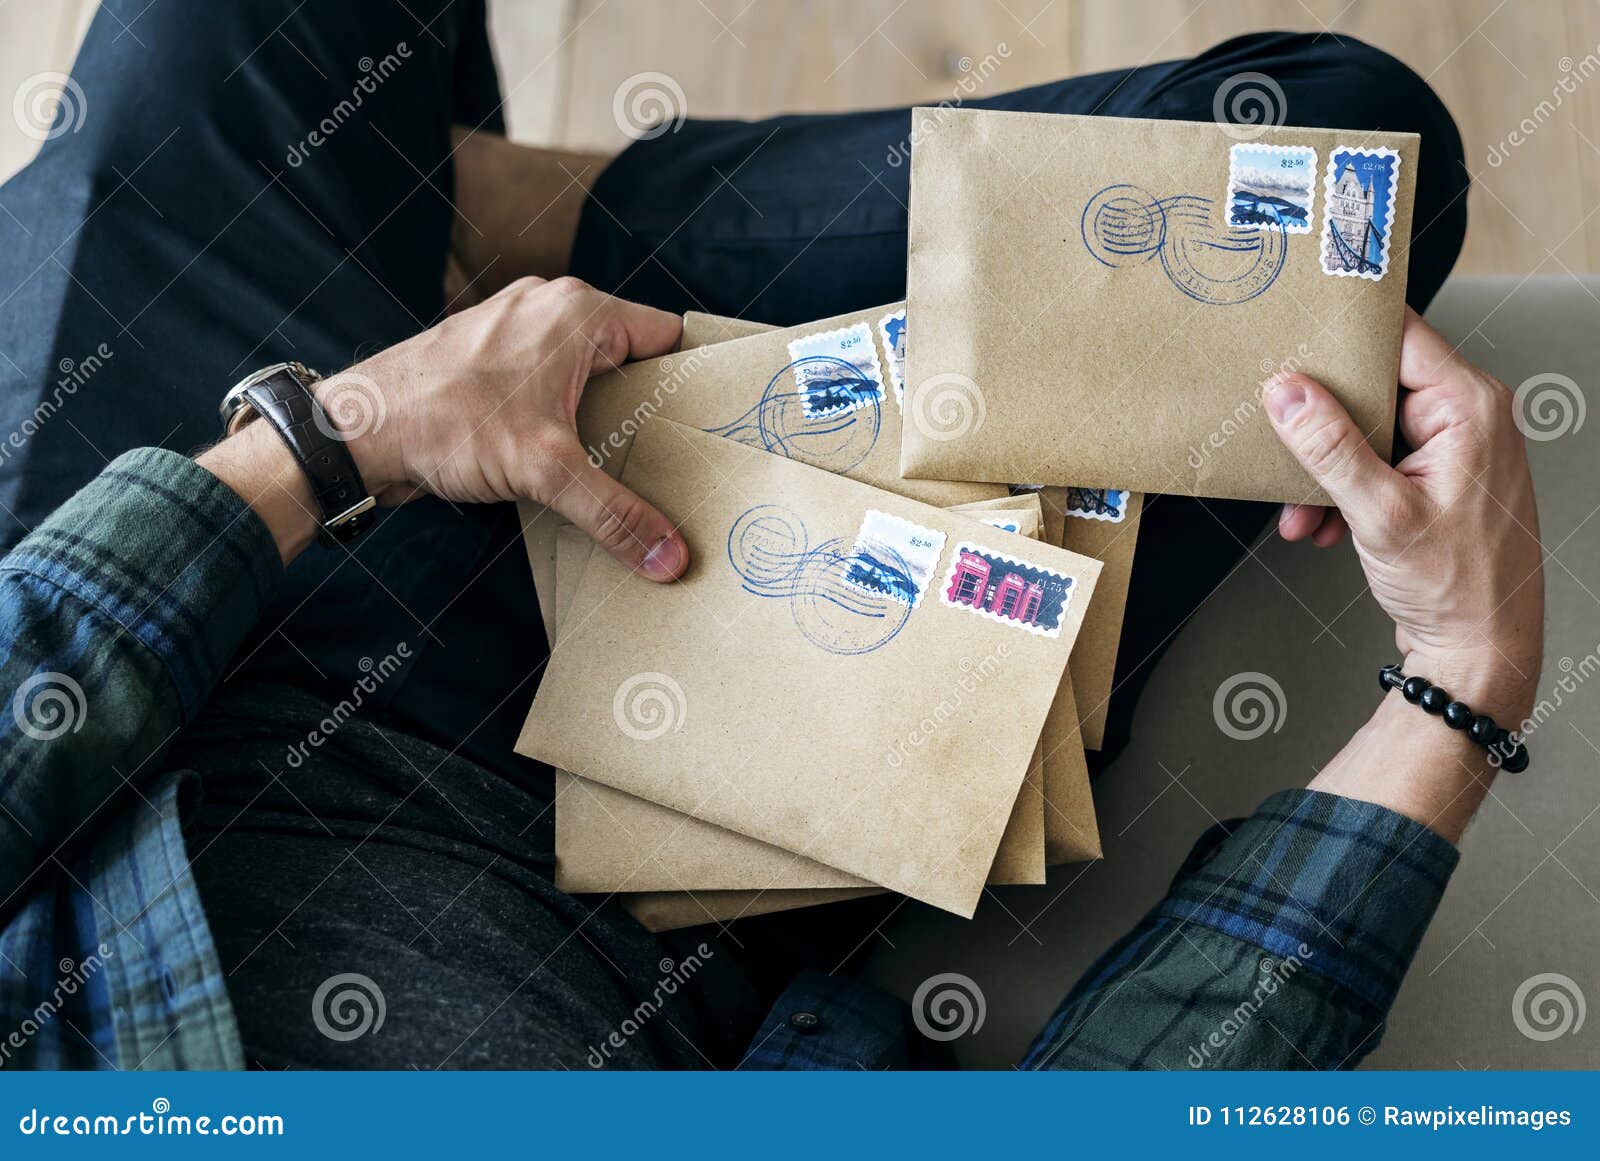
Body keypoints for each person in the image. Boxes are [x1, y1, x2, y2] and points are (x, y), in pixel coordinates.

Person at [0, 1, 1540, 1069]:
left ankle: (436, 257)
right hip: (687, 834)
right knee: (1340, 165)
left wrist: (331, 434)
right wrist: (1456, 689)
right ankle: (479, 228)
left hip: (197, 655)